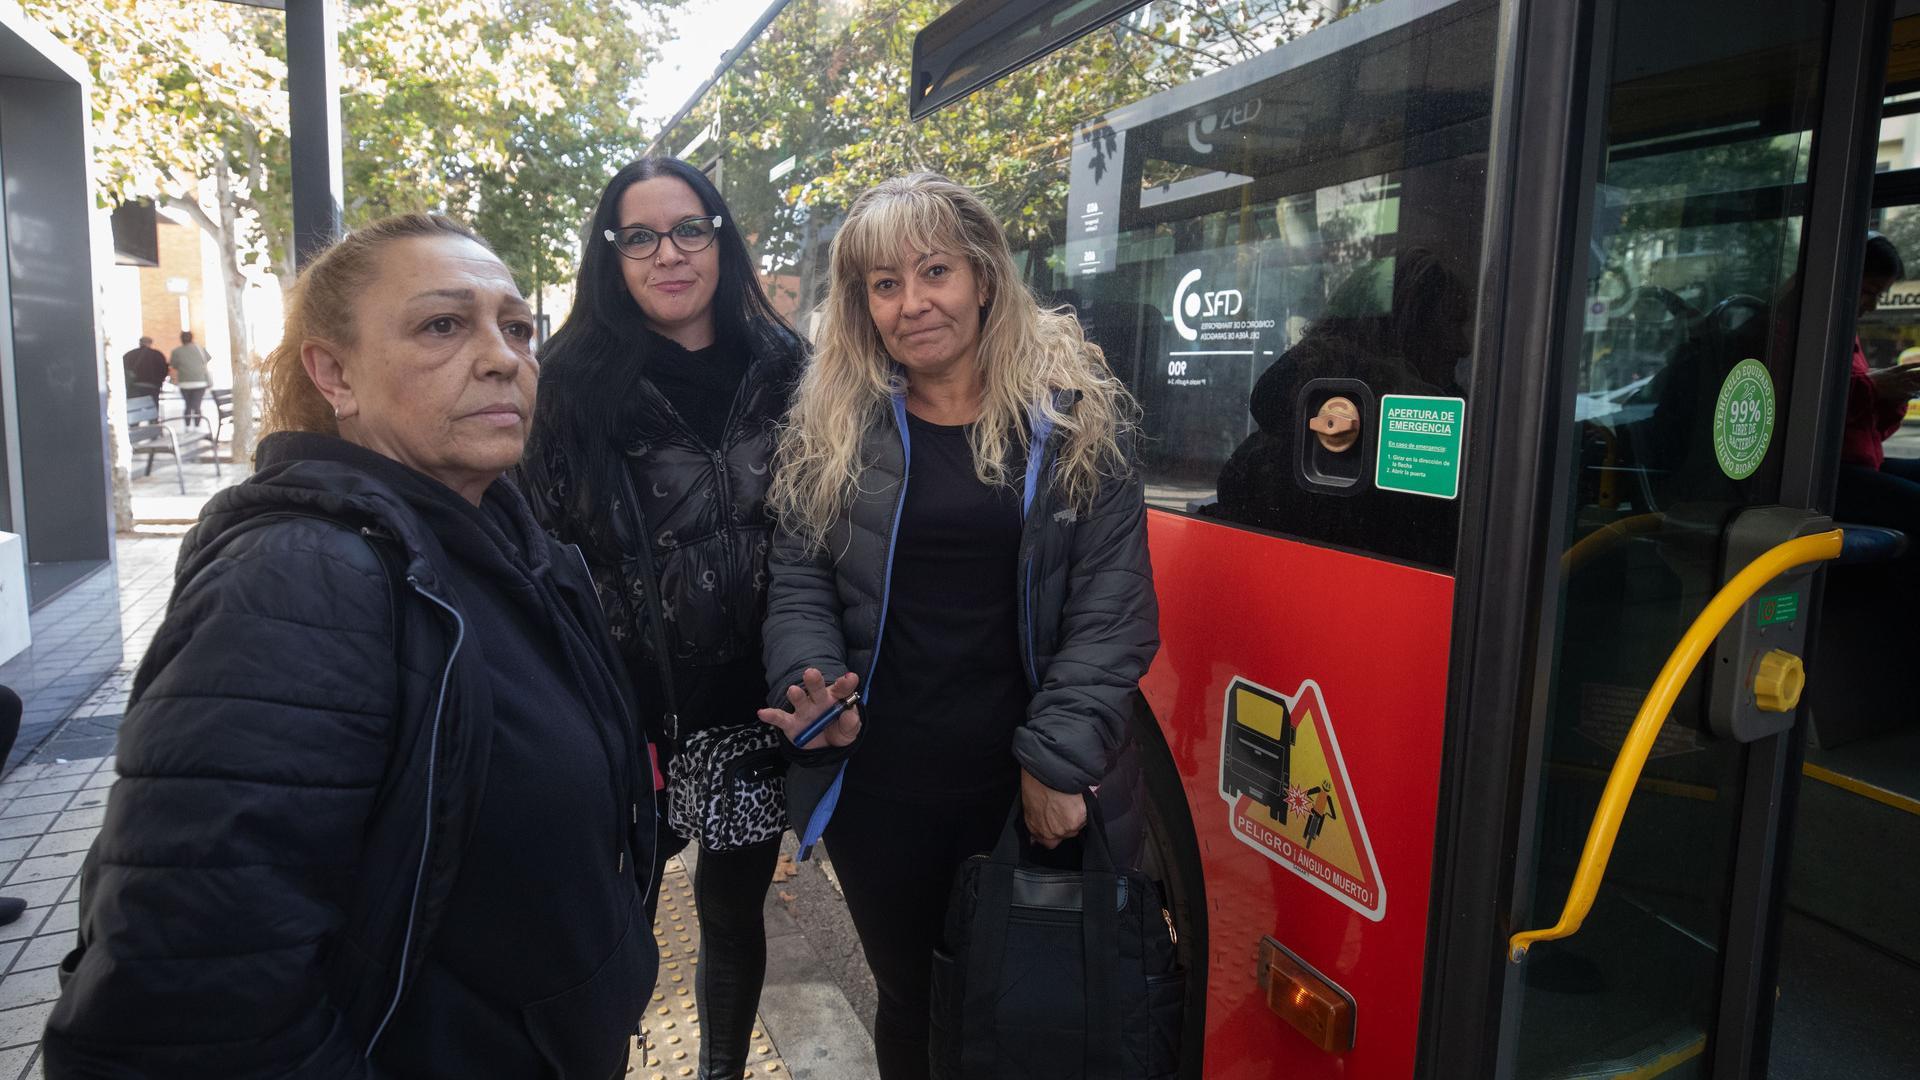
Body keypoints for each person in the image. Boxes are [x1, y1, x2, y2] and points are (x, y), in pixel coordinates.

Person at [42, 214, 658, 1079]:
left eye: (516, 328)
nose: (503, 357)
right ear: (334, 374)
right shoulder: (299, 581)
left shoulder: (507, 543)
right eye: (443, 325)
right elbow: (184, 996)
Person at [756, 173, 1158, 1080]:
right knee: (912, 1001)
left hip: (1021, 782)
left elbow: (1113, 607)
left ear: (982, 277)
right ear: (863, 306)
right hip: (882, 788)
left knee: (1022, 1004)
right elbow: (798, 582)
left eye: (934, 271)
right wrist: (814, 686)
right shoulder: (832, 424)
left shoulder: (1072, 418)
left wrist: (1055, 761)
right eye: (885, 285)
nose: (913, 303)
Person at [519, 156, 803, 1080]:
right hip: (622, 714)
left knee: (732, 914)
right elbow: (539, 554)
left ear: (721, 237)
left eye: (689, 229)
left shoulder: (788, 367)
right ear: (612, 255)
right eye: (639, 237)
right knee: (614, 921)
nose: (667, 254)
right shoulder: (562, 386)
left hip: (751, 706)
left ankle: (722, 1069)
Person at [1837, 233, 1920, 533]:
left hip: (1862, 461)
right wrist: (1875, 388)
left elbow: (1873, 431)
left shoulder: (1848, 336)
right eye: (1868, 292)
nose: (1871, 307)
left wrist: (1895, 394)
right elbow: (1815, 414)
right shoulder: (1802, 330)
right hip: (1830, 473)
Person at [169, 330, 212, 427]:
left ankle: (187, 427)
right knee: (197, 405)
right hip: (200, 382)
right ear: (192, 338)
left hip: (185, 383)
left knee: (188, 405)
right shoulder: (200, 349)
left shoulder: (176, 351)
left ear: (181, 339)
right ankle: (197, 427)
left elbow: (174, 365)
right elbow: (207, 360)